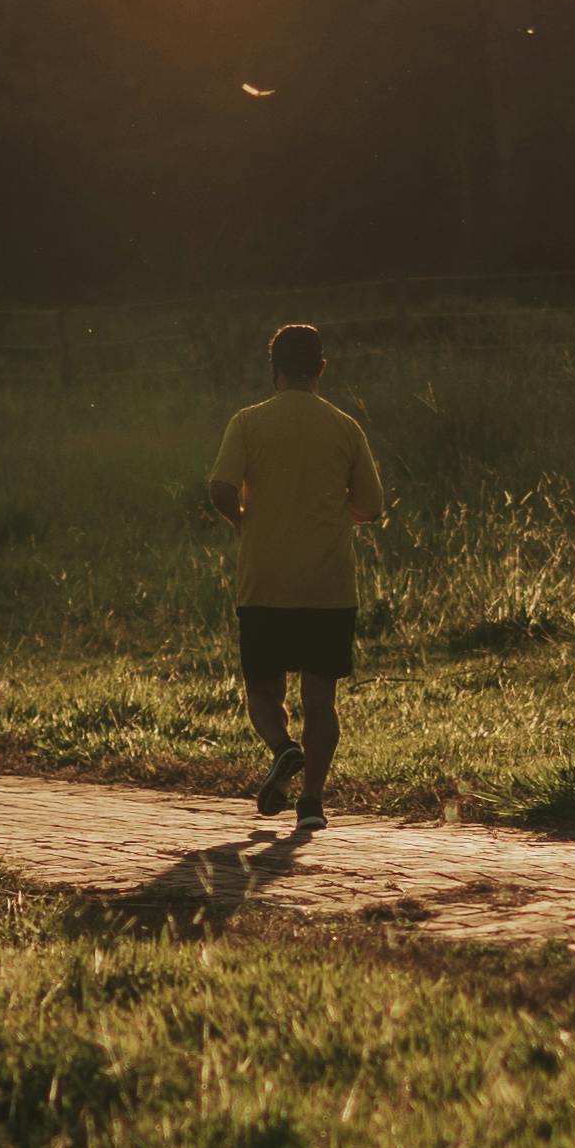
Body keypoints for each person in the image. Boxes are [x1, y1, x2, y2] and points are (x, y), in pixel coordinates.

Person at [206, 316, 385, 830]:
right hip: (329, 585)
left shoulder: (247, 422)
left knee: (263, 692)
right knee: (320, 698)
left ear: (274, 370)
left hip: (264, 581)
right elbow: (371, 506)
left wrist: (243, 523)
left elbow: (220, 487)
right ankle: (311, 803)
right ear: (321, 369)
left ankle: (283, 749)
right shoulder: (346, 427)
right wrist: (332, 512)